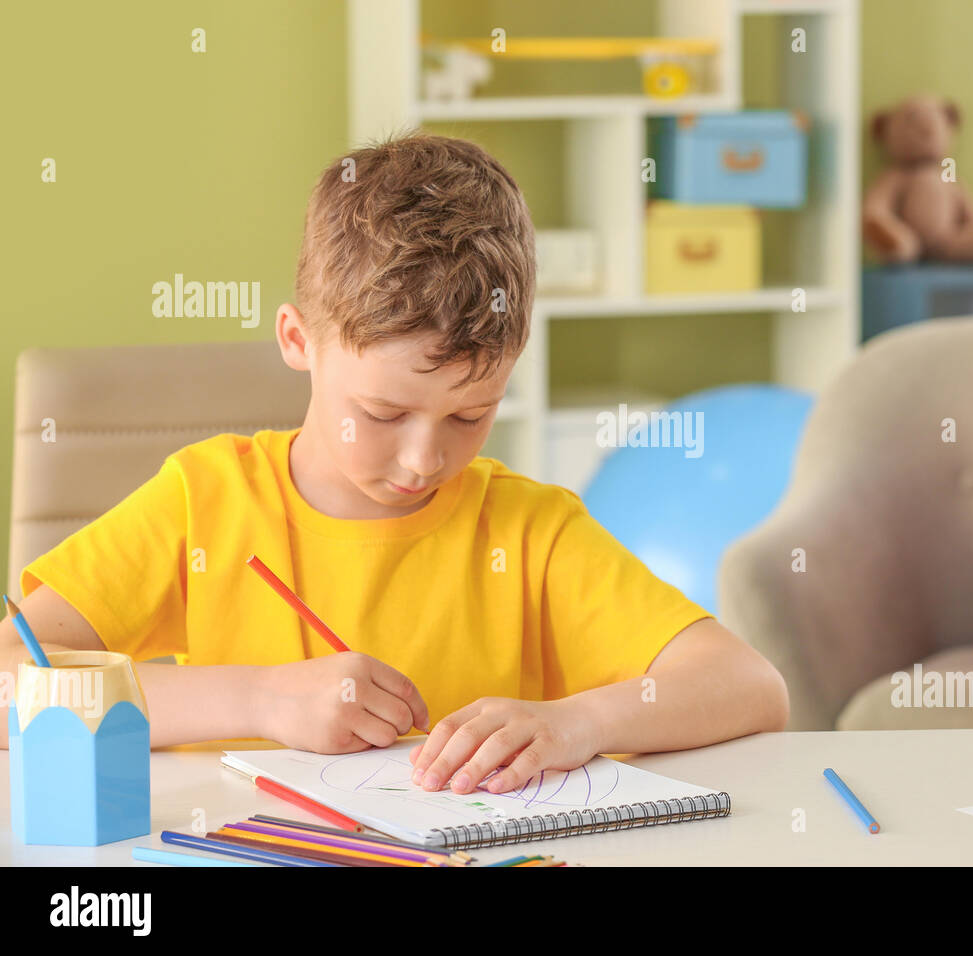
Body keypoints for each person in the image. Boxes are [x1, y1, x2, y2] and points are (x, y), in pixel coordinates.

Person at [0, 134, 789, 798]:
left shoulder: (526, 530)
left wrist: (575, 723)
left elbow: (752, 688)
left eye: (470, 415)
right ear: (298, 340)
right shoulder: (204, 500)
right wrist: (262, 696)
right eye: (382, 414)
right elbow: (11, 687)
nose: (425, 459)